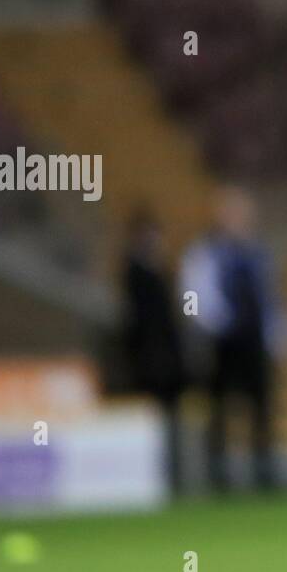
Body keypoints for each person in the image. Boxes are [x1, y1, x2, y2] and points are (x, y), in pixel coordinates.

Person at [180, 184, 287, 492]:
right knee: (220, 407)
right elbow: (195, 296)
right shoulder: (205, 252)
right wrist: (219, 325)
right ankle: (218, 475)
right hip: (224, 342)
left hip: (255, 340)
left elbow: (272, 298)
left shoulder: (259, 253)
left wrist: (282, 335)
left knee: (262, 408)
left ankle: (264, 473)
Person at [120, 208, 187, 494]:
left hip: (168, 360)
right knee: (150, 421)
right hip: (148, 359)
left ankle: (174, 477)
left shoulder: (164, 270)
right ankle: (154, 480)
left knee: (171, 420)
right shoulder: (134, 272)